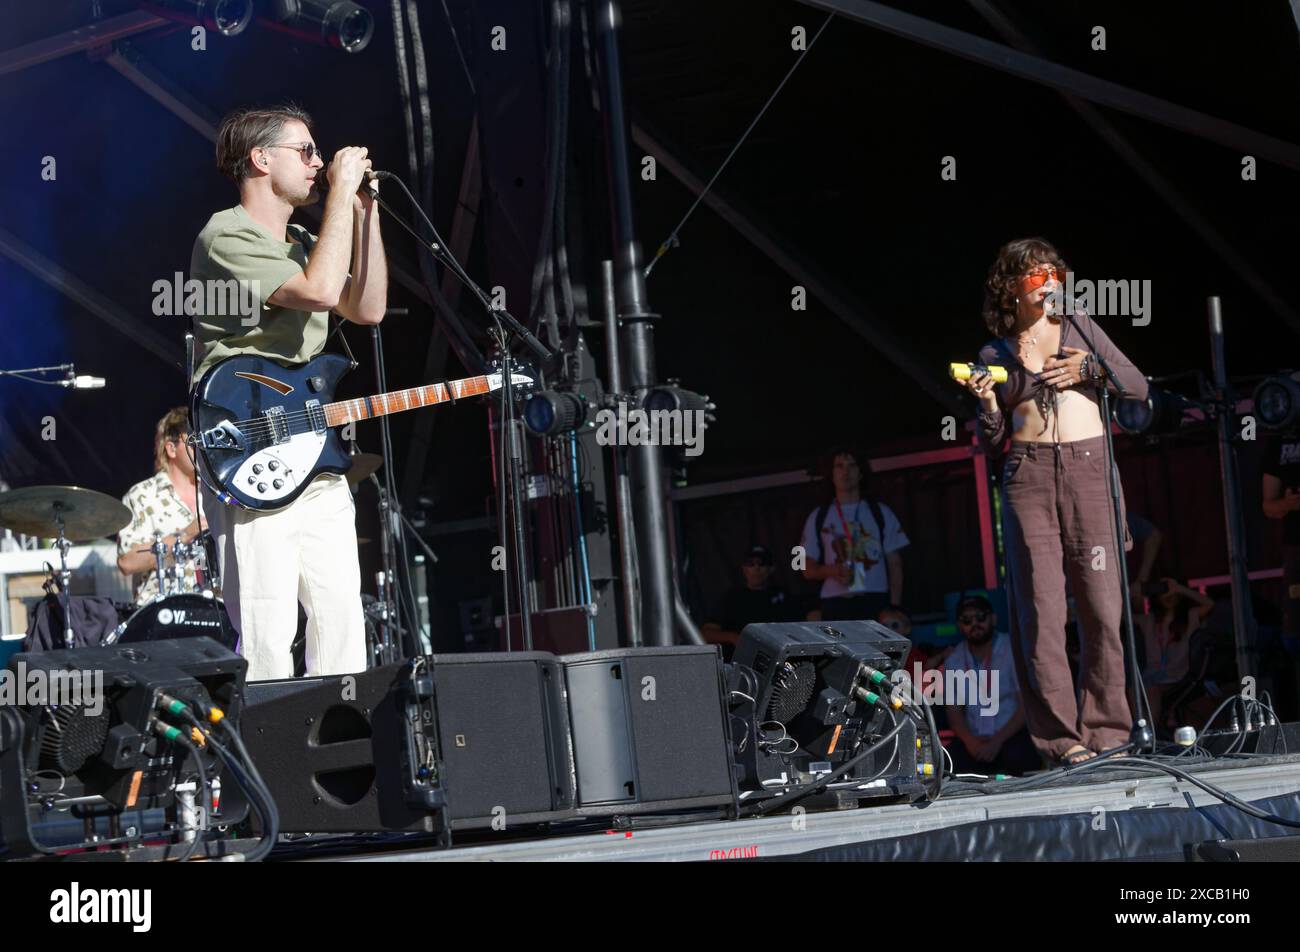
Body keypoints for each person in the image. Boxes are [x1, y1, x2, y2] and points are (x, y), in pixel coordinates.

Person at [190, 105, 387, 680]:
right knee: (269, 631)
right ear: (260, 159)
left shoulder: (305, 239)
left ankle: (340, 760)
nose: (318, 163)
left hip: (314, 450)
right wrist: (341, 192)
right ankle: (269, 764)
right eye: (305, 151)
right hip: (250, 450)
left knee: (341, 621)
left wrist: (363, 215)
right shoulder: (225, 234)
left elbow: (367, 308)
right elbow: (321, 290)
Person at [961, 237, 1148, 767]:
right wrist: (987, 404)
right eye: (1033, 274)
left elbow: (1135, 386)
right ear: (1012, 288)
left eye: (1053, 272)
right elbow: (993, 442)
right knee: (1041, 612)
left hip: (1088, 472)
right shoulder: (995, 352)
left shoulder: (1082, 327)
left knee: (1103, 607)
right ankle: (1062, 741)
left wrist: (1090, 370)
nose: (1046, 282)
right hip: (1030, 476)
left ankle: (1109, 732)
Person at [800, 448, 908, 621]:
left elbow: (895, 564)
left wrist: (894, 606)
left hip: (875, 599)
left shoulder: (880, 512)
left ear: (861, 473)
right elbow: (806, 568)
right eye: (840, 466)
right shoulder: (818, 516)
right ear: (832, 474)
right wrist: (831, 571)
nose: (846, 471)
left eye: (852, 465)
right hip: (835, 601)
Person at [117, 407, 206, 606]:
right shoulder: (143, 495)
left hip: (216, 608)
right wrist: (186, 534)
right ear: (171, 449)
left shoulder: (215, 493)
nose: (202, 448)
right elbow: (127, 562)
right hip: (161, 613)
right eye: (193, 442)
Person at [942, 594, 1039, 775]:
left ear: (993, 618)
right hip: (974, 739)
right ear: (959, 625)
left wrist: (997, 742)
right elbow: (953, 712)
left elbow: (1025, 705)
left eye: (980, 617)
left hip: (1010, 734)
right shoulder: (953, 660)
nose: (975, 624)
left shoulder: (1012, 648)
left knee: (1020, 755)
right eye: (967, 620)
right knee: (951, 762)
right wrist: (971, 743)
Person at [1137, 578, 1214, 732]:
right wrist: (1133, 592)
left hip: (1178, 677)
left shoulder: (1190, 616)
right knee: (1133, 690)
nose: (1168, 594)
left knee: (1153, 691)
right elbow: (1120, 615)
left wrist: (1179, 589)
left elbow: (1209, 603)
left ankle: (1148, 736)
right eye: (1163, 590)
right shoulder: (1149, 620)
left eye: (1171, 590)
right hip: (1151, 678)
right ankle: (1140, 733)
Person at [701, 544, 795, 657]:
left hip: (777, 657)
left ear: (771, 569)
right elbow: (706, 633)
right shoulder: (732, 598)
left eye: (762, 563)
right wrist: (734, 637)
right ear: (744, 568)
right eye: (750, 563)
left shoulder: (782, 597)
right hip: (741, 662)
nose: (756, 568)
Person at [1261, 419, 1300, 649]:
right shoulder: (1279, 443)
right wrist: (1289, 503)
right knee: (1295, 626)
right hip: (1296, 546)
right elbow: (1268, 507)